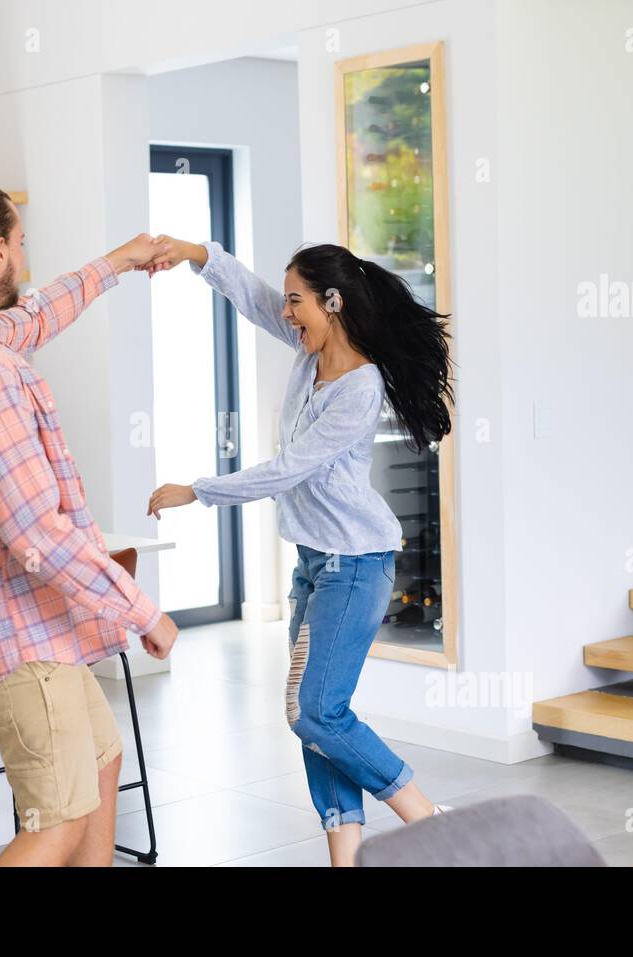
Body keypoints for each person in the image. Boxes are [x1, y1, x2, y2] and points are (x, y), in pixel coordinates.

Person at [142, 236, 454, 867]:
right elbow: (255, 300)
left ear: (332, 302)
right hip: (315, 564)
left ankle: (429, 820)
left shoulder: (359, 387)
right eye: (288, 303)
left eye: (298, 302)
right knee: (315, 715)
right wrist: (194, 254)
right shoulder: (309, 356)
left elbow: (289, 471)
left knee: (313, 713)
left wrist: (195, 491)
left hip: (355, 564)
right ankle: (346, 858)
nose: (287, 314)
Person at [0, 183, 179, 867]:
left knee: (103, 766)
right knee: (57, 819)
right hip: (11, 626)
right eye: (21, 242)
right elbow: (36, 533)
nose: (26, 254)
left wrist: (120, 260)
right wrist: (143, 610)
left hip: (28, 618)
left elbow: (40, 314)